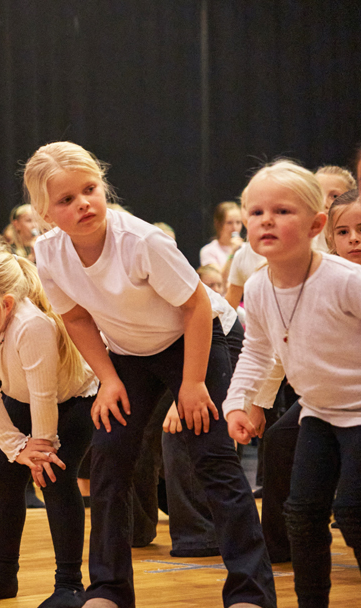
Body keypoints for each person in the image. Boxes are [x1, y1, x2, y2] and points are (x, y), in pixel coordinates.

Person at [23, 141, 275, 608]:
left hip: (199, 335)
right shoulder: (49, 253)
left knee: (212, 455)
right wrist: (108, 379)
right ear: (44, 212)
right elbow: (75, 317)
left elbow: (196, 307)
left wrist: (192, 384)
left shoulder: (142, 242)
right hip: (129, 352)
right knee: (108, 457)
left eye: (90, 190)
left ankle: (251, 592)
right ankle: (108, 589)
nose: (83, 204)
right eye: (66, 199)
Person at [224, 161, 361, 608]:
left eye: (282, 211)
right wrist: (237, 403)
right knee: (301, 516)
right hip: (318, 414)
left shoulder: (347, 281)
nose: (267, 220)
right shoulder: (258, 287)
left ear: (316, 225)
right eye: (257, 212)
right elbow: (257, 351)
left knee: (353, 511)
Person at [0, 243, 98, 606]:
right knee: (4, 471)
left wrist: (41, 449)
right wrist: (15, 447)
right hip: (23, 396)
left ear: (6, 304)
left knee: (54, 476)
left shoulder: (32, 325)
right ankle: (2, 578)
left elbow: (45, 396)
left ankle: (69, 585)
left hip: (74, 399)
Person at [200, 201, 244, 270]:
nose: (234, 228)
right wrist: (233, 253)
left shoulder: (247, 248)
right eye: (229, 223)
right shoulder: (209, 251)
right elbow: (219, 277)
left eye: (238, 222)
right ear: (219, 224)